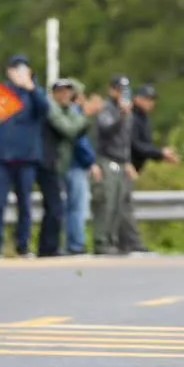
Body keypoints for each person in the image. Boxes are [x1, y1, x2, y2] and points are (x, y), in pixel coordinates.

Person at [0, 54, 50, 258]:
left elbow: (45, 110)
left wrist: (31, 88)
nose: (20, 74)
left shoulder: (35, 94)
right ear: (9, 72)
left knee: (25, 204)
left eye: (24, 70)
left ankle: (23, 245)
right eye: (16, 70)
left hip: (27, 159)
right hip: (2, 157)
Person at [39, 79, 103, 257]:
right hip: (66, 164)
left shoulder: (71, 111)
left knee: (68, 207)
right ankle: (73, 244)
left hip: (69, 163)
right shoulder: (64, 111)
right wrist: (90, 161)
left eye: (70, 92)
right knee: (72, 207)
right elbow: (75, 137)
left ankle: (71, 243)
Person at [120, 84, 180, 254]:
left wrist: (160, 154)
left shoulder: (143, 117)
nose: (151, 103)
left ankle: (124, 243)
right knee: (124, 205)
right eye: (147, 99)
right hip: (125, 166)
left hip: (134, 167)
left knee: (123, 204)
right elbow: (133, 144)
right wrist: (160, 153)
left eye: (152, 100)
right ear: (137, 98)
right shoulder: (131, 116)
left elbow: (144, 145)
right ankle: (131, 243)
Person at [91, 76, 137, 255]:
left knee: (119, 203)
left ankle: (113, 240)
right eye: (119, 89)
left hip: (121, 161)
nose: (122, 93)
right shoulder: (107, 109)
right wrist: (121, 115)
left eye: (125, 90)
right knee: (107, 202)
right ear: (112, 90)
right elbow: (107, 129)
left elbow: (126, 140)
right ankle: (101, 241)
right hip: (106, 159)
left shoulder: (128, 112)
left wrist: (127, 161)